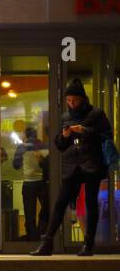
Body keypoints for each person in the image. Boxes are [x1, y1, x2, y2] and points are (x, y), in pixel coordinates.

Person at [33, 78, 113, 256]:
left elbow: (107, 135)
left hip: (91, 164)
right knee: (60, 202)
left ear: (83, 99)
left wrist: (84, 130)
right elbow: (60, 145)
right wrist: (65, 135)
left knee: (91, 202)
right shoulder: (66, 117)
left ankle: (88, 244)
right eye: (69, 100)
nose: (71, 103)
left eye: (75, 100)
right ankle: (47, 243)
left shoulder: (96, 114)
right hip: (72, 166)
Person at [12, 122, 49, 241]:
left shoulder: (22, 147)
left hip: (28, 183)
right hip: (43, 183)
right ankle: (42, 233)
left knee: (29, 212)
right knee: (47, 208)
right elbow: (48, 164)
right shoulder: (42, 145)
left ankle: (32, 238)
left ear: (25, 135)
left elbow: (16, 165)